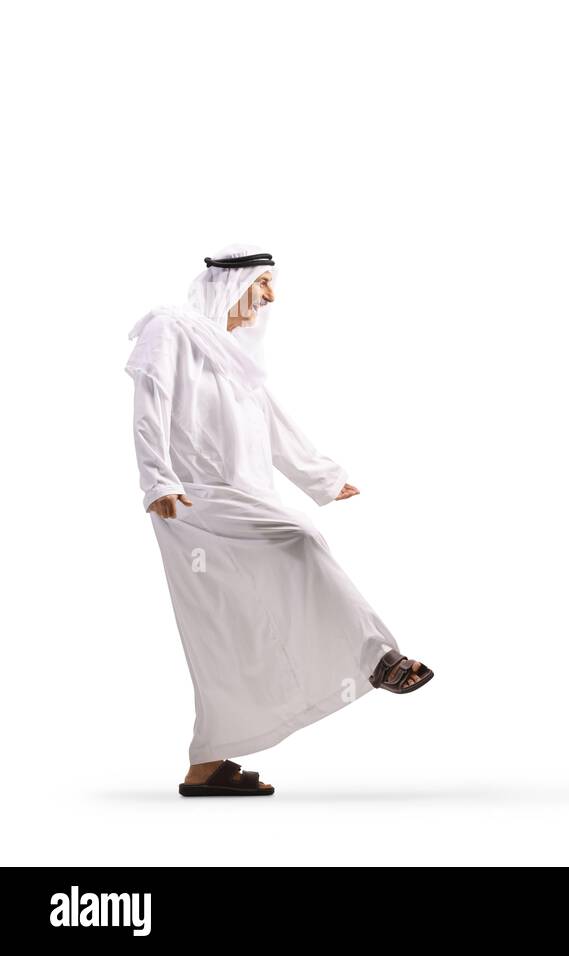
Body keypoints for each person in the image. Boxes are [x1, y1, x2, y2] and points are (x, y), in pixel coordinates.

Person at [126, 243, 433, 797]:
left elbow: (274, 423)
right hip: (191, 499)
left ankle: (207, 764)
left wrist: (322, 476)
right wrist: (158, 480)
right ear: (233, 282)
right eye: (264, 283)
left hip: (240, 494)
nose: (271, 296)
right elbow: (150, 400)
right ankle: (376, 655)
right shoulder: (169, 330)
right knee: (301, 536)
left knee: (227, 629)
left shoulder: (234, 355)